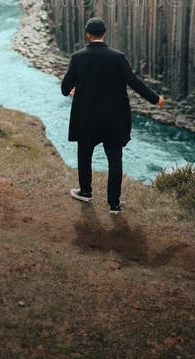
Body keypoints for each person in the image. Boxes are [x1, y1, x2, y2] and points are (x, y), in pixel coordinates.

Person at [61, 17, 165, 214]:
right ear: (105, 33)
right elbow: (134, 82)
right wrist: (155, 99)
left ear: (88, 35)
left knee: (85, 155)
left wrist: (74, 91)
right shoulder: (118, 57)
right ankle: (114, 204)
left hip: (87, 118)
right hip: (113, 119)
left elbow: (65, 87)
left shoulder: (77, 57)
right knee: (115, 160)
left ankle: (85, 192)